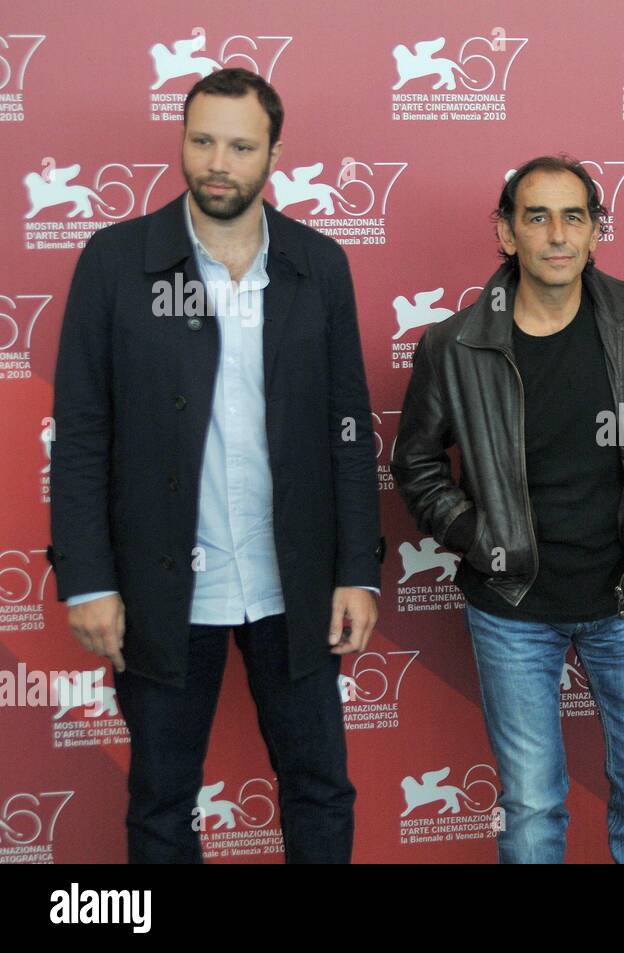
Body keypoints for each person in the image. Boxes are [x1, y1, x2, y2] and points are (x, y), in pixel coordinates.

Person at [49, 68, 384, 863]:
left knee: (320, 787)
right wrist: (88, 579)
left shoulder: (318, 264)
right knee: (162, 798)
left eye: (240, 145)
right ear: (182, 141)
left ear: (274, 153)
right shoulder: (115, 261)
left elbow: (349, 432)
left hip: (290, 581)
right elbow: (83, 433)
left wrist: (357, 572)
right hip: (163, 583)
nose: (218, 162)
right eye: (202, 140)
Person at [391, 156, 624, 864]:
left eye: (574, 217)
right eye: (537, 217)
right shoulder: (455, 344)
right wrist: (482, 537)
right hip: (511, 606)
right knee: (531, 806)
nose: (557, 235)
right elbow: (416, 463)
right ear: (506, 232)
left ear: (594, 233)